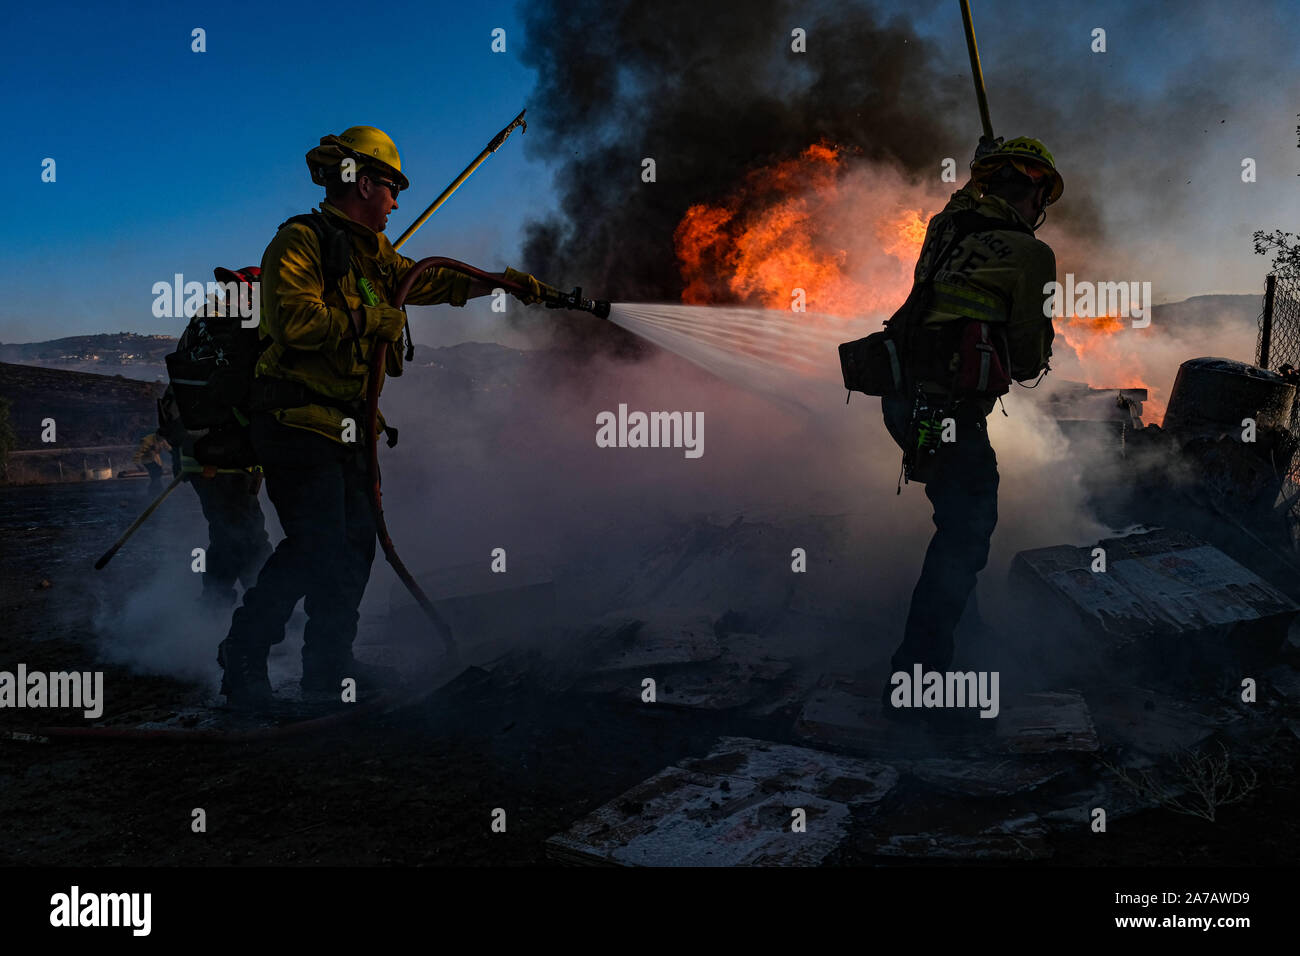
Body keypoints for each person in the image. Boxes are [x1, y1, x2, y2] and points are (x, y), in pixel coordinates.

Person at [218, 126, 558, 706]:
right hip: (296, 423)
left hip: (348, 430)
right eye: (392, 188)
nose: (398, 202)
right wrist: (364, 320)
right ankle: (243, 659)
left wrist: (503, 283)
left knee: (355, 549)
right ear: (363, 182)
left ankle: (329, 669)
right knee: (315, 545)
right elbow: (292, 322)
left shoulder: (374, 259)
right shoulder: (301, 243)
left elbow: (434, 279)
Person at [880, 136, 1062, 718]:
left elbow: (961, 206)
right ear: (1034, 190)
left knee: (959, 526)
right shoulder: (1031, 253)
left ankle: (965, 634)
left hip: (903, 403)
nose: (1042, 212)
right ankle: (916, 685)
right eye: (1043, 197)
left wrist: (977, 173)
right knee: (966, 530)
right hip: (949, 415)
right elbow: (1031, 359)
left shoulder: (943, 226)